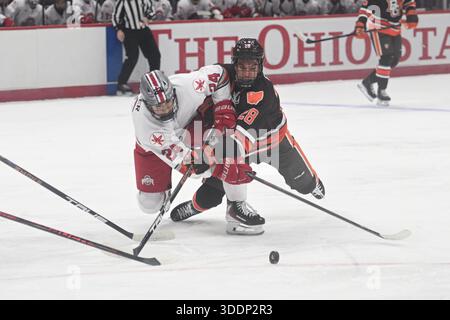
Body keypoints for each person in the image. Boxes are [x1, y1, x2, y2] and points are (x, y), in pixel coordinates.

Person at [170, 38, 325, 234]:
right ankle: (194, 206)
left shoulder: (262, 92)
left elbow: (236, 139)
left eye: (252, 67)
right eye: (242, 67)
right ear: (234, 64)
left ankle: (312, 184)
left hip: (272, 143)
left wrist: (206, 156)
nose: (247, 72)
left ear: (260, 66)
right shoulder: (224, 77)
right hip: (239, 144)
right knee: (212, 192)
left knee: (303, 183)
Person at [132, 67, 265, 235]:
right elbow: (193, 167)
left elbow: (220, 75)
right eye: (159, 107)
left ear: (173, 91)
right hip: (155, 147)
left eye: (168, 102)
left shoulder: (189, 86)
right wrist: (225, 171)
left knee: (227, 145)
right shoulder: (147, 128)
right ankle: (162, 190)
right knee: (150, 204)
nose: (166, 109)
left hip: (189, 127)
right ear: (147, 104)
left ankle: (236, 209)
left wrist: (223, 108)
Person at [355, 0, 418, 106]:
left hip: (395, 28)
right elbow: (364, 9)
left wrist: (411, 16)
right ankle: (382, 91)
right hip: (378, 27)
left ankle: (368, 82)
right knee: (386, 57)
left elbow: (409, 3)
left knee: (394, 60)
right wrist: (360, 25)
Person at [112, 0, 161, 95]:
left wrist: (148, 17)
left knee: (155, 55)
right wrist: (118, 29)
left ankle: (154, 83)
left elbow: (151, 10)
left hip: (143, 30)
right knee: (132, 57)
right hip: (129, 31)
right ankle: (121, 84)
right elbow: (116, 15)